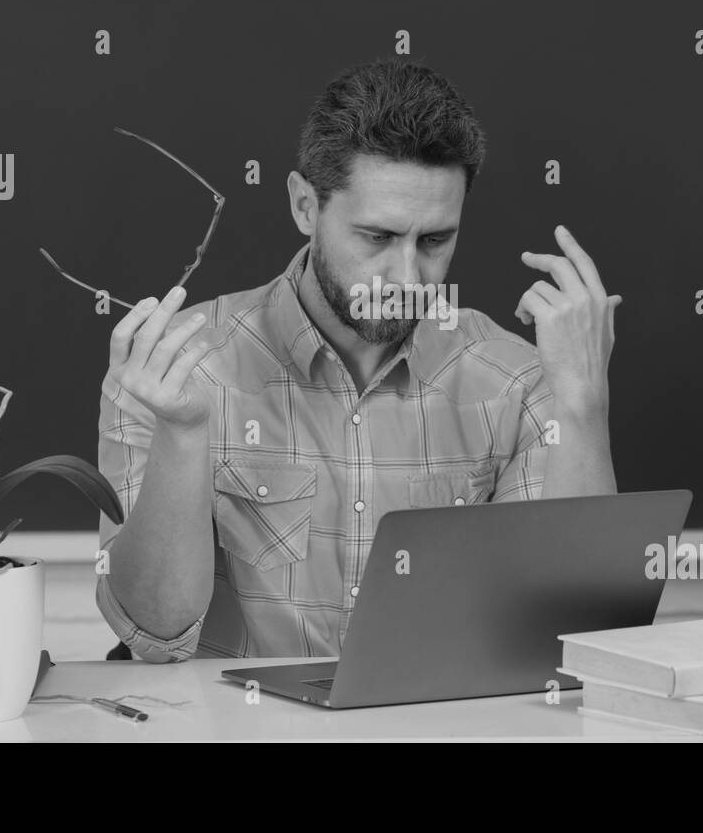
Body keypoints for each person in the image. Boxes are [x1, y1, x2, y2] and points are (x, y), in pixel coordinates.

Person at [96, 59, 622, 662]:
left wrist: (583, 403)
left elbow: (572, 639)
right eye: (377, 236)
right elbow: (153, 633)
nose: (405, 278)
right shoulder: (176, 369)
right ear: (304, 206)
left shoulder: (516, 379)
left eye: (434, 241)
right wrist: (184, 436)